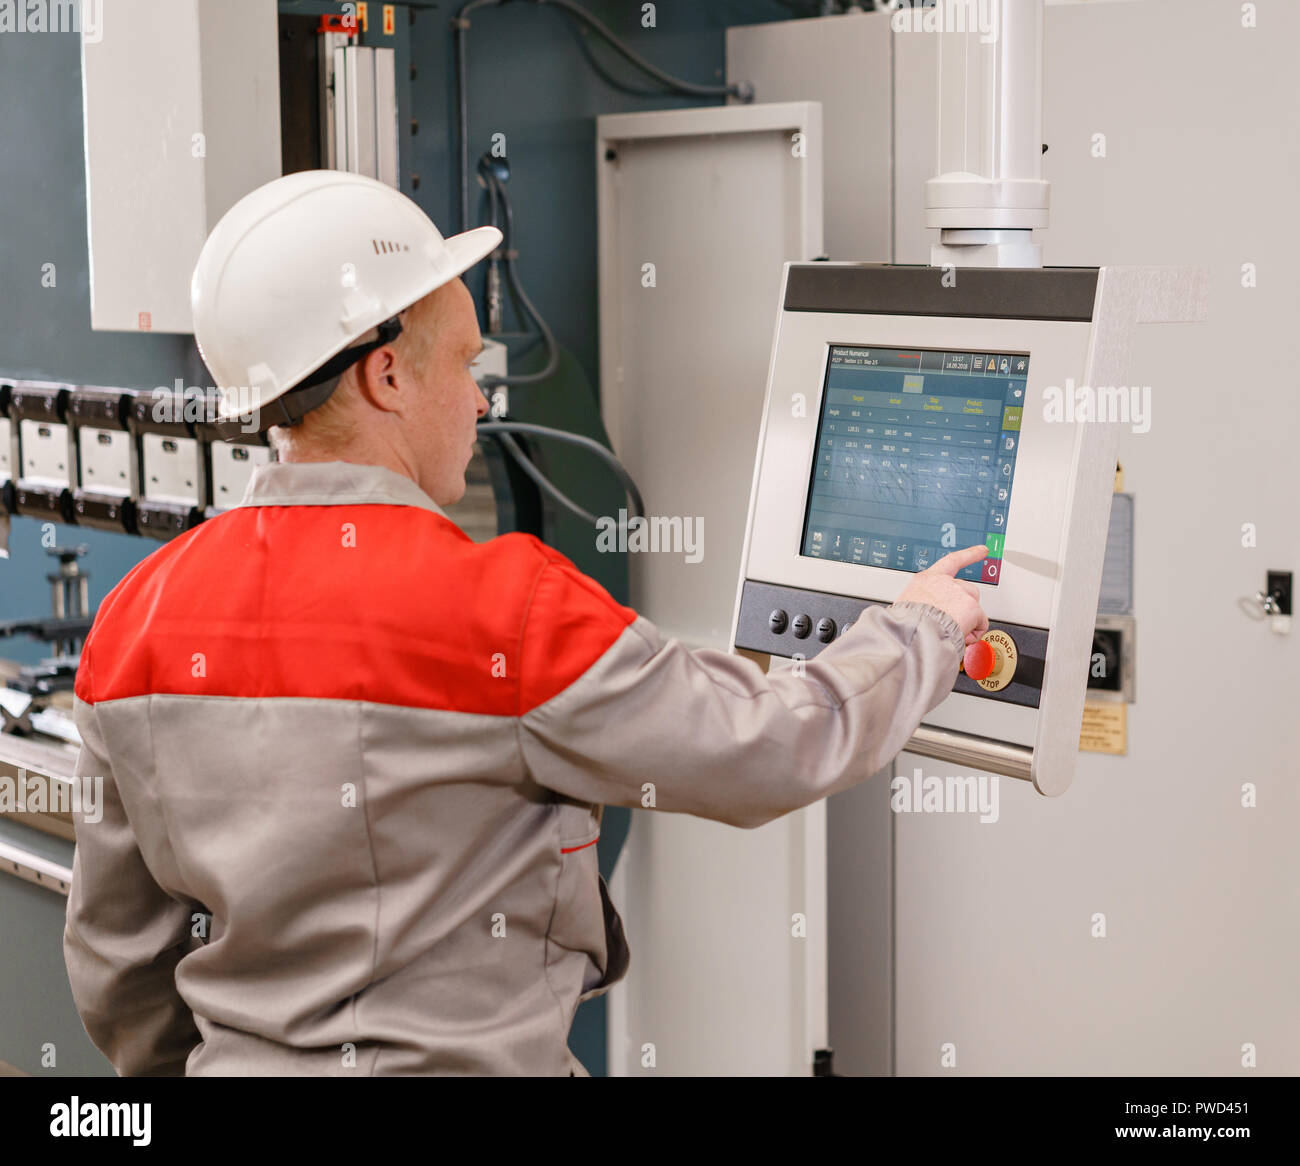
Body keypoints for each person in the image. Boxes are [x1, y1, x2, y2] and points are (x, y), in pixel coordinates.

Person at [63, 171, 988, 1077]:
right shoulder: (504, 613)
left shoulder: (135, 621)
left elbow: (119, 964)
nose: (480, 399)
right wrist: (921, 630)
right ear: (386, 374)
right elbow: (770, 744)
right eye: (465, 364)